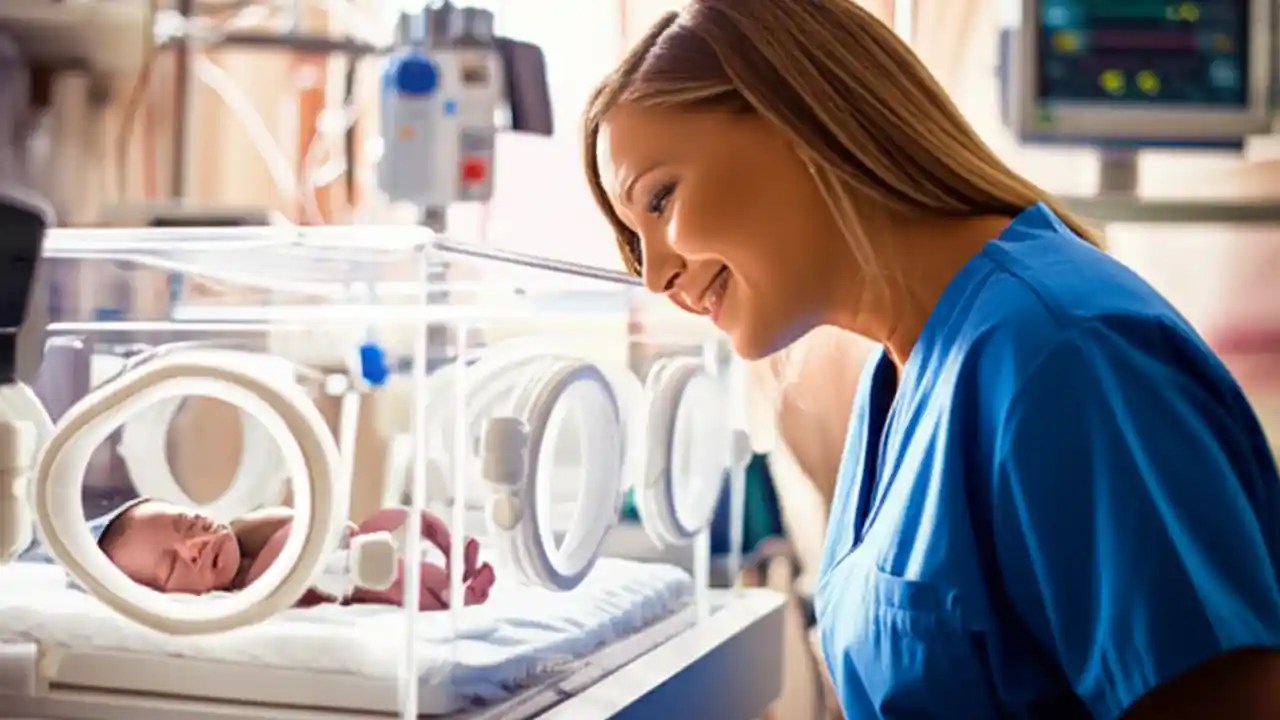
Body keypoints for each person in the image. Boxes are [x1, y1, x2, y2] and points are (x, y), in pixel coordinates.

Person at [582, 1, 1280, 718]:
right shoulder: (902, 372)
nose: (655, 276)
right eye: (635, 240)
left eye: (660, 198)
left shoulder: (1063, 358)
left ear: (798, 115)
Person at [24, 499, 495, 610]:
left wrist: (413, 521)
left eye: (189, 522)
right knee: (388, 577)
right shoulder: (249, 592)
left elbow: (345, 531)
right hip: (366, 578)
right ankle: (452, 589)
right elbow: (355, 576)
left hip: (358, 557)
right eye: (171, 566)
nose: (195, 546)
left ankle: (449, 566)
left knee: (393, 531)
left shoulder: (253, 527)